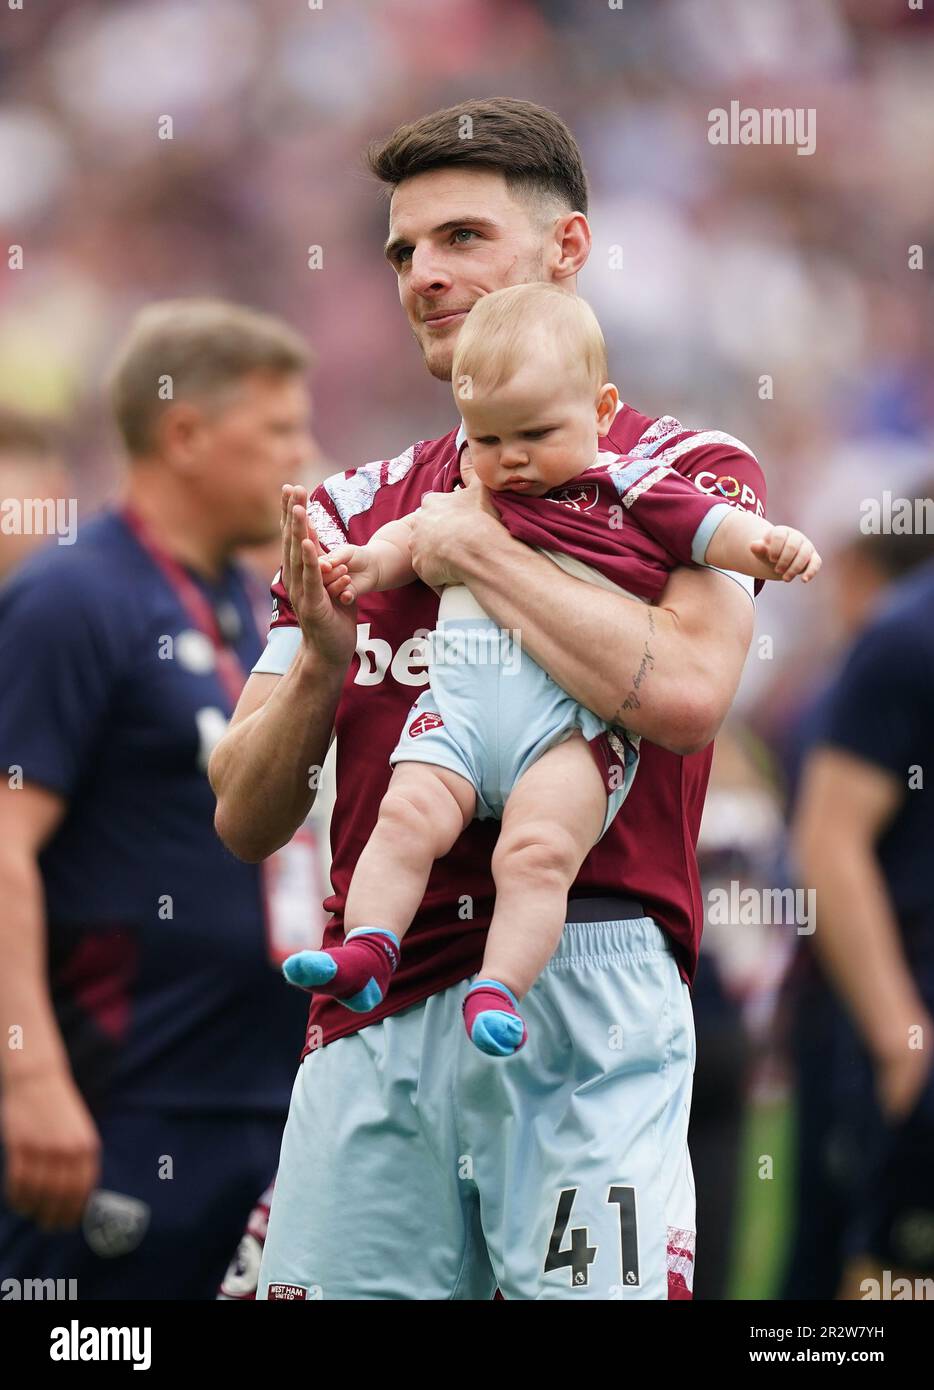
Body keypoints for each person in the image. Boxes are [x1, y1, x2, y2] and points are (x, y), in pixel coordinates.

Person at [211, 98, 769, 1301]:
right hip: (372, 999)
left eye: (462, 237)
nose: (423, 273)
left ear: (567, 250)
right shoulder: (355, 510)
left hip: (582, 990)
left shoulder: (687, 473)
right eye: (404, 251)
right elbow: (244, 817)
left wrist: (475, 547)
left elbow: (686, 690)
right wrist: (319, 659)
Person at [285, 283, 818, 1059]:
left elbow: (711, 531)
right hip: (459, 714)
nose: (513, 459)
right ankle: (368, 948)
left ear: (601, 412)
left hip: (565, 730)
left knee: (535, 856)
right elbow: (402, 543)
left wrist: (774, 546)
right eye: (489, 439)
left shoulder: (628, 485)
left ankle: (498, 986)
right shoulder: (472, 490)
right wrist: (359, 565)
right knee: (402, 820)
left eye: (536, 433)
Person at [0, 300, 313, 1298]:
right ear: (185, 434)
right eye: (277, 432)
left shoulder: (235, 598)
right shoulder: (74, 595)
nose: (303, 455)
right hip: (121, 1105)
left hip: (254, 1100)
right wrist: (28, 1075)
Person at [793, 553, 934, 1298]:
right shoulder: (909, 635)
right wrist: (896, 1030)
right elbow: (828, 837)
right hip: (919, 1007)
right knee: (899, 1277)